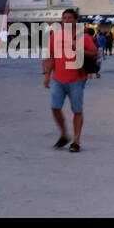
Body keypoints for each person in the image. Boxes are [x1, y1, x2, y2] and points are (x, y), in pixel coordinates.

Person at [42, 9, 97, 152]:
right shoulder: (55, 36)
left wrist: (78, 49)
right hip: (58, 78)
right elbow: (52, 57)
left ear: (75, 20)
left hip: (77, 79)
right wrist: (47, 75)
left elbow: (94, 53)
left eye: (70, 18)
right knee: (55, 107)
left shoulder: (83, 37)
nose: (66, 20)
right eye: (64, 18)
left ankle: (76, 141)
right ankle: (64, 133)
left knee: (77, 110)